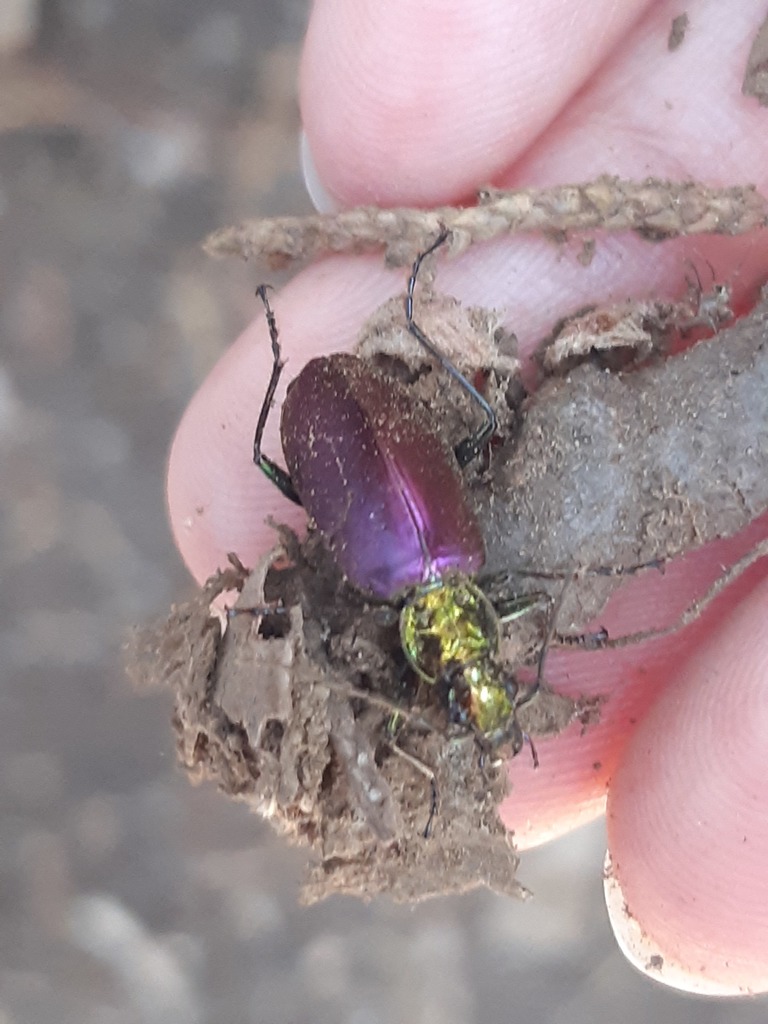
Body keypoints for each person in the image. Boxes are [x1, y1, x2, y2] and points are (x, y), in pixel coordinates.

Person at [167, 0, 768, 994]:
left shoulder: (457, 564)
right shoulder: (420, 575)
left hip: (341, 421)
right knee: (453, 434)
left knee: (451, 433)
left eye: (466, 682)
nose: (480, 678)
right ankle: (318, 343)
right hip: (347, 418)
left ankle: (311, 345)